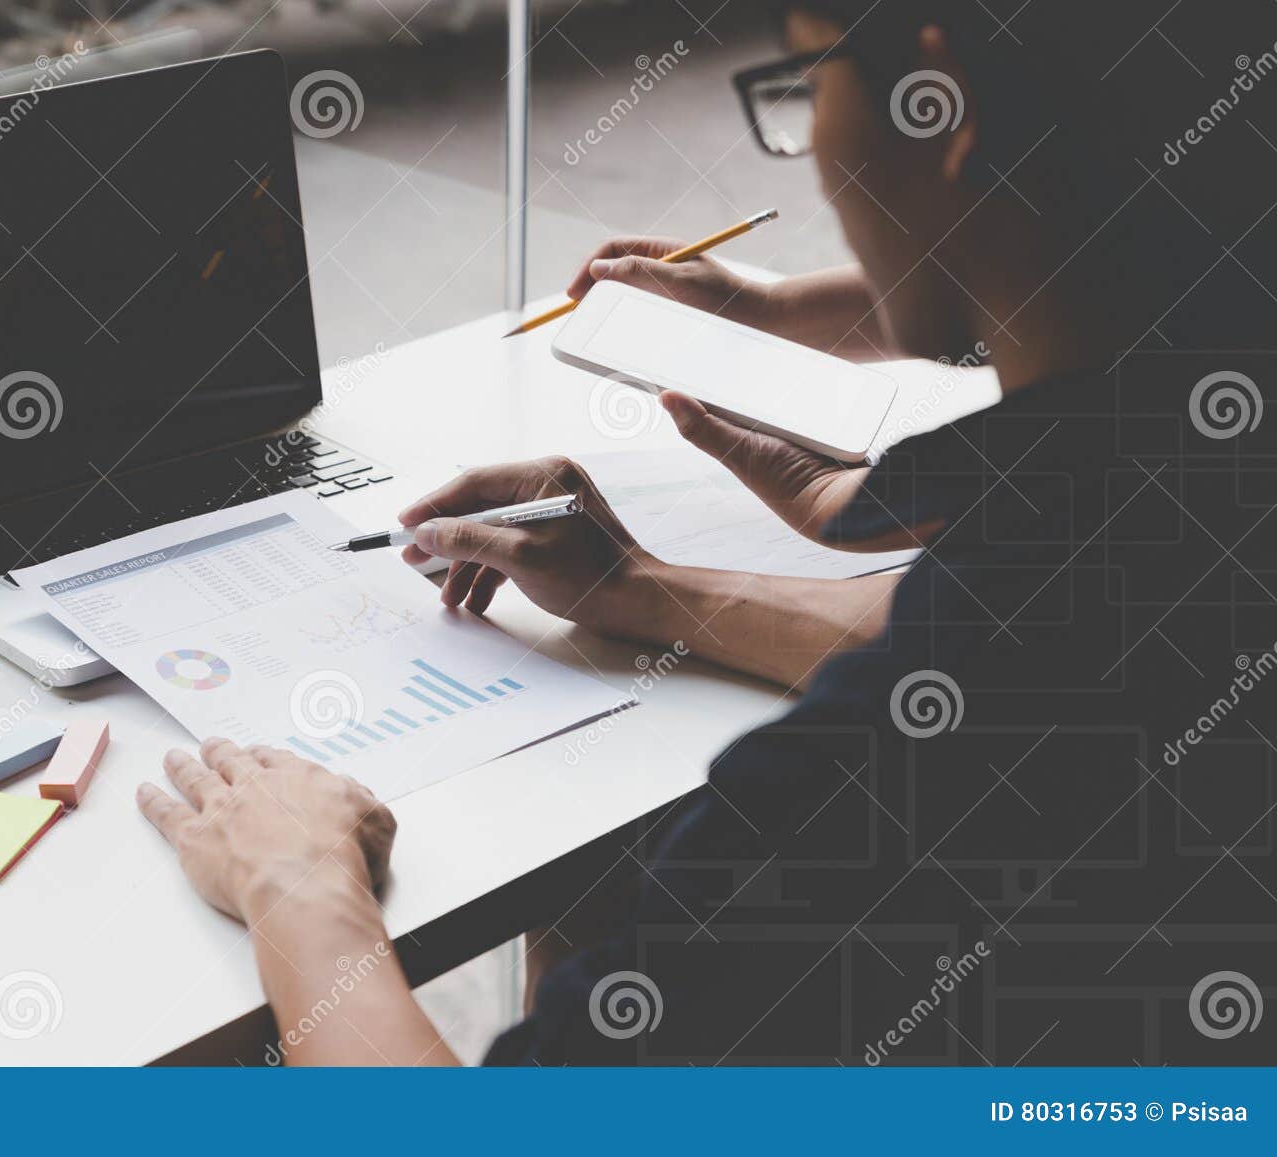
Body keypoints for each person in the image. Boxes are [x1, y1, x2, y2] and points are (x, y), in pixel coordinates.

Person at [137, 0, 1277, 1064]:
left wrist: (300, 890)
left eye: (804, 80)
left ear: (940, 109)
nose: (813, 145)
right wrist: (637, 583)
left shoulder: (917, 750)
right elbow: (993, 626)